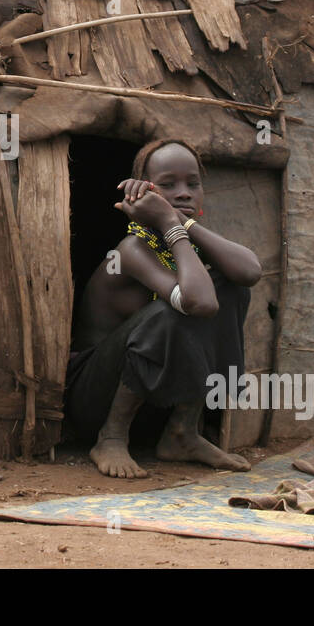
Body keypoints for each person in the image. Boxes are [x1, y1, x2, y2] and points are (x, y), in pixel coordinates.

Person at [65, 139, 262, 478]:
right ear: (144, 196)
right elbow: (195, 301)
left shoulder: (183, 247)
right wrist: (171, 223)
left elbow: (249, 272)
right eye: (168, 185)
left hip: (154, 401)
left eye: (193, 184)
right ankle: (111, 437)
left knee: (230, 288)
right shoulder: (131, 250)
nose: (184, 192)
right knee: (171, 309)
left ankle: (182, 432)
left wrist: (181, 224)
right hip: (92, 400)